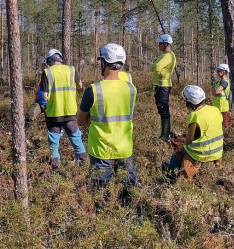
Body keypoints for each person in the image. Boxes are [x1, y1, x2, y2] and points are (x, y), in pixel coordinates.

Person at [76, 43, 137, 192]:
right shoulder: (131, 89)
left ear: (103, 63)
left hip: (101, 152)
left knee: (99, 197)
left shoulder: (93, 90)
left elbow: (80, 121)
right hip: (125, 150)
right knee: (127, 195)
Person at [163, 85, 224, 180]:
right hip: (217, 153)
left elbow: (188, 141)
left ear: (189, 102)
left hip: (201, 154)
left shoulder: (195, 116)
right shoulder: (215, 110)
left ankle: (172, 176)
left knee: (175, 157)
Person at [39, 48, 86, 170]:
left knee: (54, 142)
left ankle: (56, 168)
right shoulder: (71, 70)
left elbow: (44, 96)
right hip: (70, 112)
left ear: (50, 60)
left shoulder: (47, 72)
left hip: (54, 113)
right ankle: (82, 163)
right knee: (76, 137)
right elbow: (80, 86)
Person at [151, 33, 177, 141]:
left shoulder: (168, 56)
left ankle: (165, 135)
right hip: (159, 86)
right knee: (161, 109)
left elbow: (156, 67)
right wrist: (154, 65)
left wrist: (155, 65)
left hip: (163, 86)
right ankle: (164, 134)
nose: (158, 46)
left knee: (163, 109)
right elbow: (154, 66)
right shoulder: (164, 55)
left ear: (166, 44)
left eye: (160, 44)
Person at [25, 60, 48, 128]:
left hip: (49, 104)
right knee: (30, 115)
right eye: (43, 65)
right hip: (38, 102)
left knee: (52, 120)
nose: (43, 67)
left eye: (45, 65)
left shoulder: (52, 76)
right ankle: (25, 131)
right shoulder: (41, 78)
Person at [212, 63, 232, 129]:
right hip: (218, 105)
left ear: (224, 71)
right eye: (217, 71)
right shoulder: (220, 81)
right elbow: (214, 92)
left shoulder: (224, 82)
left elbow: (217, 91)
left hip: (222, 105)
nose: (217, 72)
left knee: (224, 122)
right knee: (218, 121)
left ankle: (227, 134)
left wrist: (215, 92)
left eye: (219, 71)